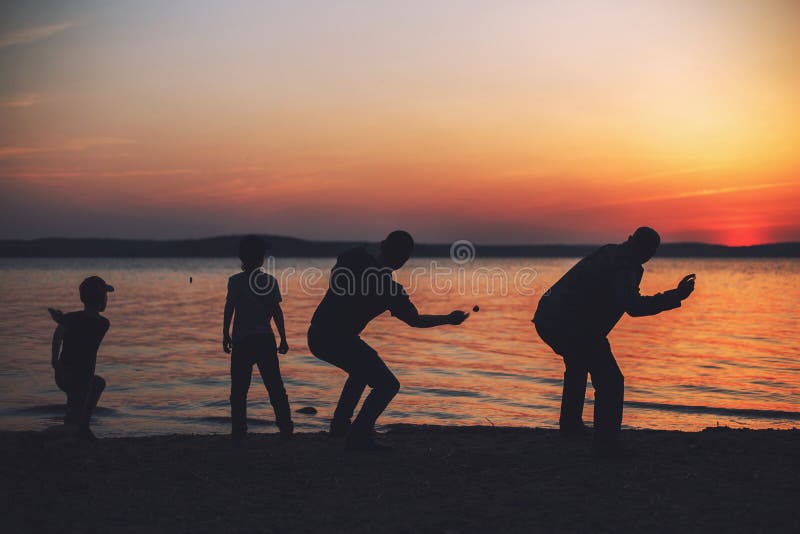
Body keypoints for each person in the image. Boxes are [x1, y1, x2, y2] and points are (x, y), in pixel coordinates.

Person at [533, 227, 695, 456]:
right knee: (610, 381)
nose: (648, 256)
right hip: (571, 323)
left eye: (652, 252)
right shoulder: (623, 266)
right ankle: (606, 444)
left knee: (578, 364)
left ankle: (571, 428)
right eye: (648, 250)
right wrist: (675, 296)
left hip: (550, 316)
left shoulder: (611, 253)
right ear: (638, 245)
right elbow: (634, 307)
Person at [308, 230, 469, 451]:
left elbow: (414, 320)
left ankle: (340, 427)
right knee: (387, 384)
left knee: (361, 370)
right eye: (404, 256)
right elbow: (416, 320)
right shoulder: (387, 286)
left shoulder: (359, 261)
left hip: (318, 334)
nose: (403, 260)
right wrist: (449, 319)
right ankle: (358, 436)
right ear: (401, 258)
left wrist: (448, 319)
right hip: (332, 336)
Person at [223, 235, 293, 440]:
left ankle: (239, 430)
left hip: (242, 341)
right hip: (264, 339)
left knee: (239, 390)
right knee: (275, 386)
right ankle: (286, 427)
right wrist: (283, 338)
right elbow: (276, 311)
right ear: (262, 258)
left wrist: (224, 333)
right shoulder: (270, 281)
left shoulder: (235, 281)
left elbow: (230, 309)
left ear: (241, 258)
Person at [48, 276, 114, 441]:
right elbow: (82, 328)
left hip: (65, 374)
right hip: (78, 378)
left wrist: (55, 361)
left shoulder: (71, 319)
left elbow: (60, 334)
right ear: (100, 299)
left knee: (98, 383)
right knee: (71, 426)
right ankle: (43, 436)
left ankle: (83, 427)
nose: (107, 299)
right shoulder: (103, 324)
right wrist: (63, 320)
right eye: (105, 296)